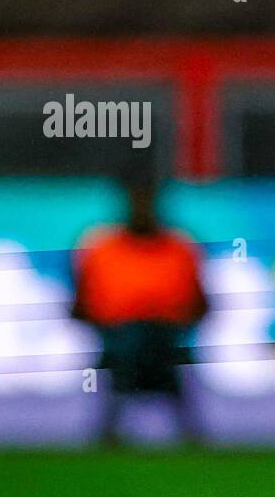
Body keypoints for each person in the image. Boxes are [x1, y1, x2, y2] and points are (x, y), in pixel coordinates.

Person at [71, 177, 208, 446]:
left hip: (166, 338)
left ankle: (190, 437)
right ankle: (110, 433)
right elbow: (80, 306)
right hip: (119, 339)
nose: (142, 209)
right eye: (137, 202)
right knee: (131, 345)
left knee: (154, 345)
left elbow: (200, 304)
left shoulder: (180, 249)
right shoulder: (102, 249)